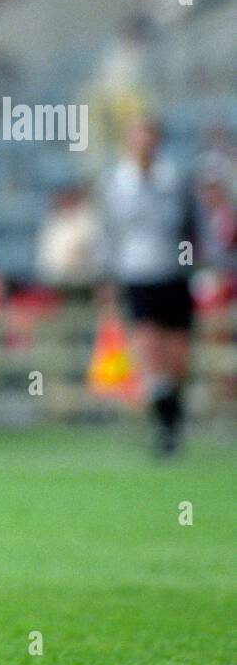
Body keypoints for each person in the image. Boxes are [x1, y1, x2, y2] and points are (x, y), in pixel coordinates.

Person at [98, 116, 197, 457]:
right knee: (149, 349)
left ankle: (173, 413)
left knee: (178, 355)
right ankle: (165, 427)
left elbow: (190, 226)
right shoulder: (117, 183)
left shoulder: (174, 180)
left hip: (173, 273)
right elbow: (109, 233)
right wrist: (108, 277)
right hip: (137, 275)